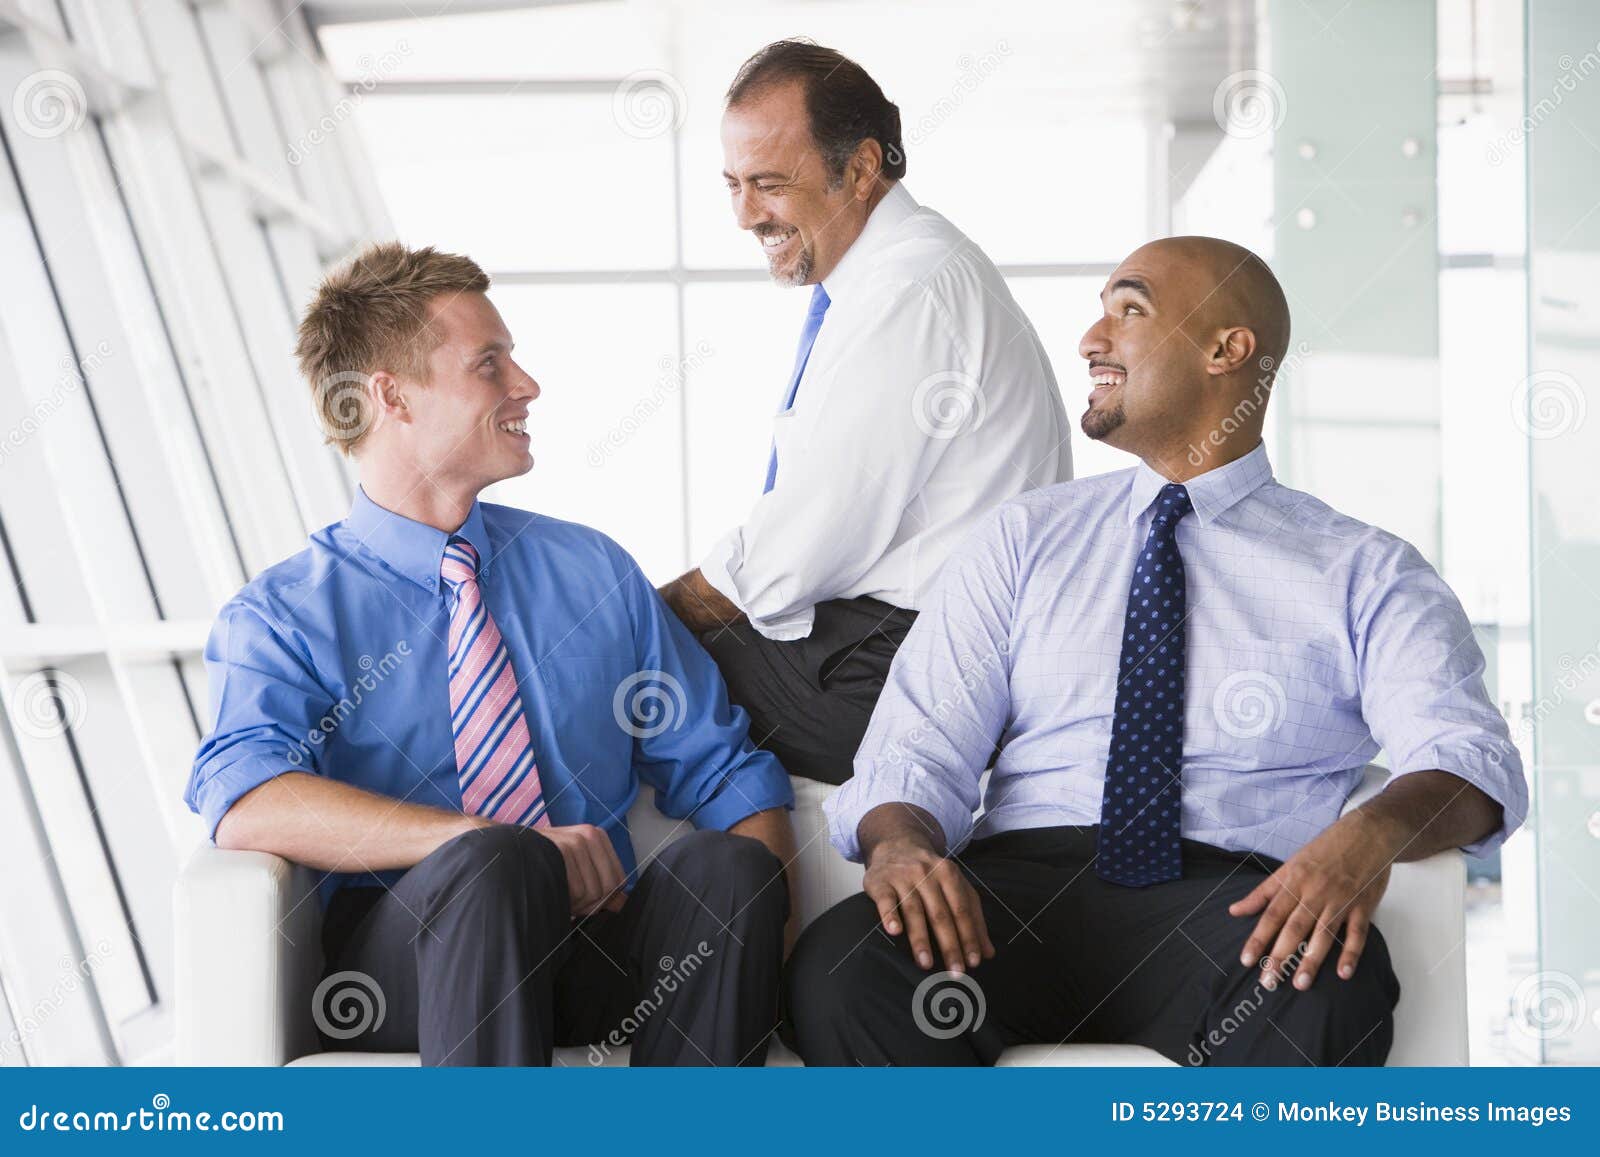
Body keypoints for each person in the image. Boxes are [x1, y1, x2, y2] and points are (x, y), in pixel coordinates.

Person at [784, 236, 1528, 1066]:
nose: (1091, 340)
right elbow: (915, 750)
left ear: (1226, 349)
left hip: (1235, 905)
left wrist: (1371, 833)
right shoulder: (1024, 539)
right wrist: (900, 843)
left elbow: (1468, 759)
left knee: (1327, 982)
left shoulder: (1365, 570)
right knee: (844, 967)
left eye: (1128, 310)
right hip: (1019, 897)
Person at [186, 242, 796, 1066]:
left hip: (596, 946)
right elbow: (247, 798)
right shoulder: (284, 612)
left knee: (729, 871)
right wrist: (476, 838)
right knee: (493, 863)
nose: (527, 385)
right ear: (392, 395)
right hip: (410, 962)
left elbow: (725, 773)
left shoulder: (589, 570)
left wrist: (773, 943)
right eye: (490, 364)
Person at [658, 40, 1072, 786]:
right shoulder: (902, 270)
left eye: (770, 184)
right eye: (734, 185)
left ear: (860, 168)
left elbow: (798, 550)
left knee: (622, 668)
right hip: (903, 647)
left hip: (902, 676)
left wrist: (650, 611)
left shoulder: (909, 291)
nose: (746, 215)